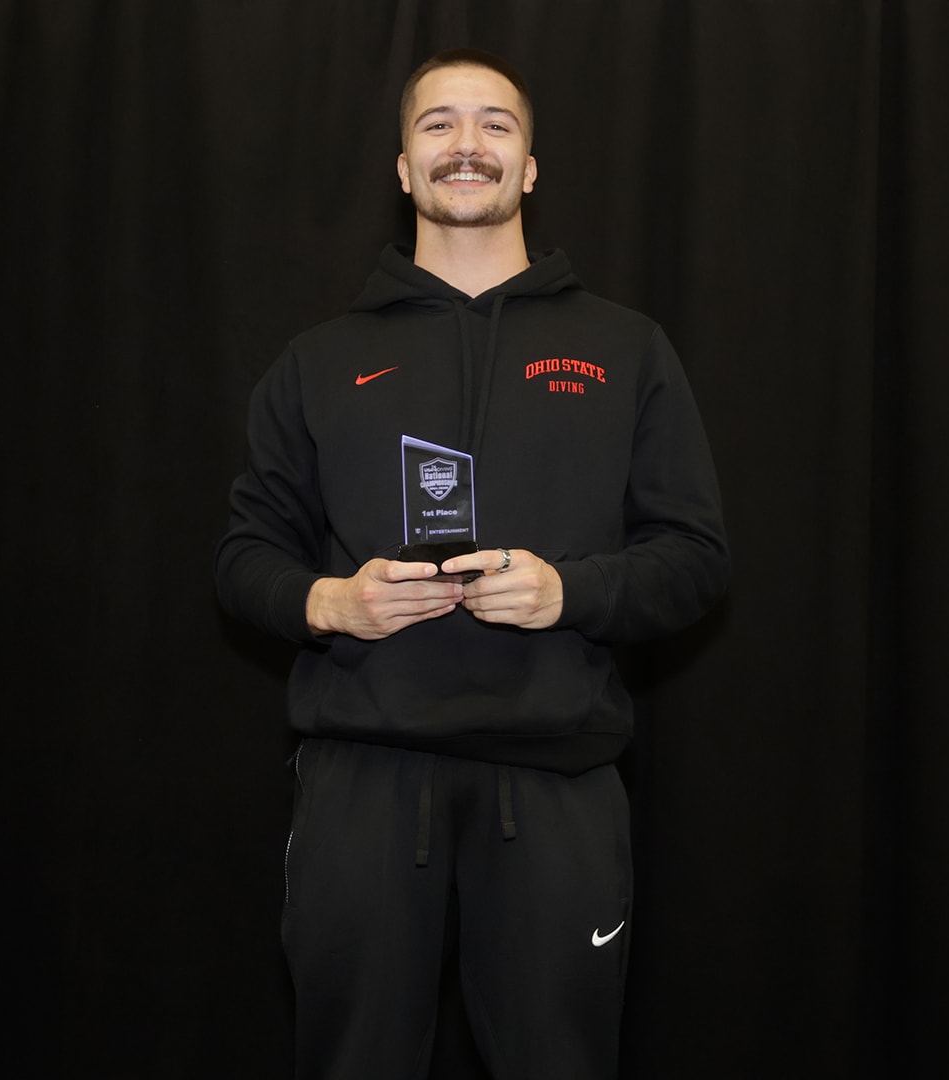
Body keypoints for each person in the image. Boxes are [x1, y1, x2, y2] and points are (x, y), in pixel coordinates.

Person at [214, 49, 728, 1078]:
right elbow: (243, 558)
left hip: (557, 786)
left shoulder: (627, 349)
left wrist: (570, 590)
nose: (467, 144)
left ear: (529, 166)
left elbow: (695, 559)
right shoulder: (319, 360)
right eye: (438, 123)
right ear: (403, 168)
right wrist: (331, 602)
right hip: (362, 783)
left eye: (495, 123)